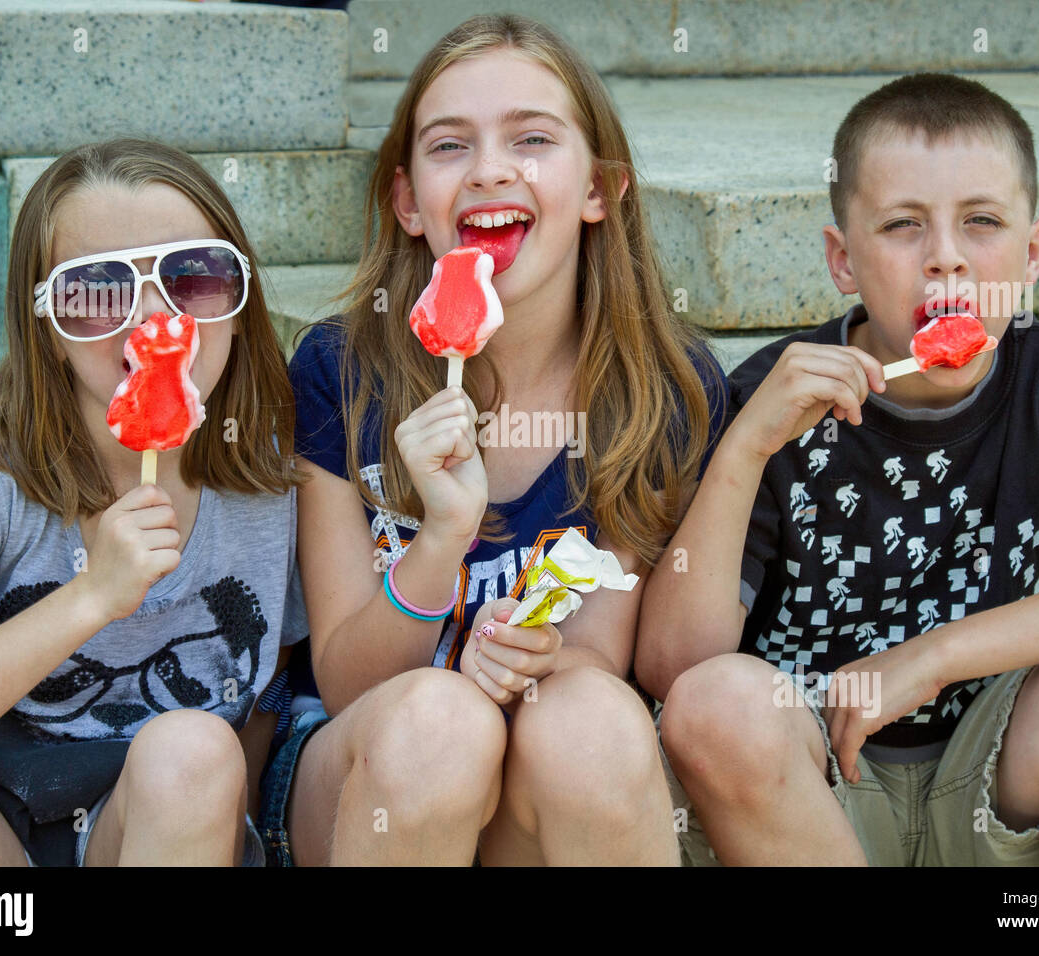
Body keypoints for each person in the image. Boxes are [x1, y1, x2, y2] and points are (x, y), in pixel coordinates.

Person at [637, 73, 1039, 866]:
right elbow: (673, 671)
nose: (947, 261)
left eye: (983, 223)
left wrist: (933, 656)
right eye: (902, 227)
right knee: (718, 703)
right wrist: (745, 449)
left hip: (994, 782)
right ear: (843, 260)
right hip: (815, 794)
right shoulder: (771, 399)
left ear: (1033, 254)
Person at [267, 14, 726, 865]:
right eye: (449, 147)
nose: (488, 170)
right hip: (365, 769)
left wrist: (536, 655)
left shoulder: (659, 385)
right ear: (408, 203)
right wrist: (441, 539)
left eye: (533, 138)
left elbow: (594, 654)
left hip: (538, 775)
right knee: (441, 724)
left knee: (589, 717)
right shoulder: (340, 371)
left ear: (600, 189)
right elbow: (346, 682)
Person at [0, 139, 307, 866]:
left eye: (194, 278)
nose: (152, 318)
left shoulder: (267, 477)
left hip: (172, 822)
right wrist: (89, 597)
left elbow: (269, 683)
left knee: (191, 753)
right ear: (44, 326)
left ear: (239, 307)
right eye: (95, 290)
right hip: (0, 831)